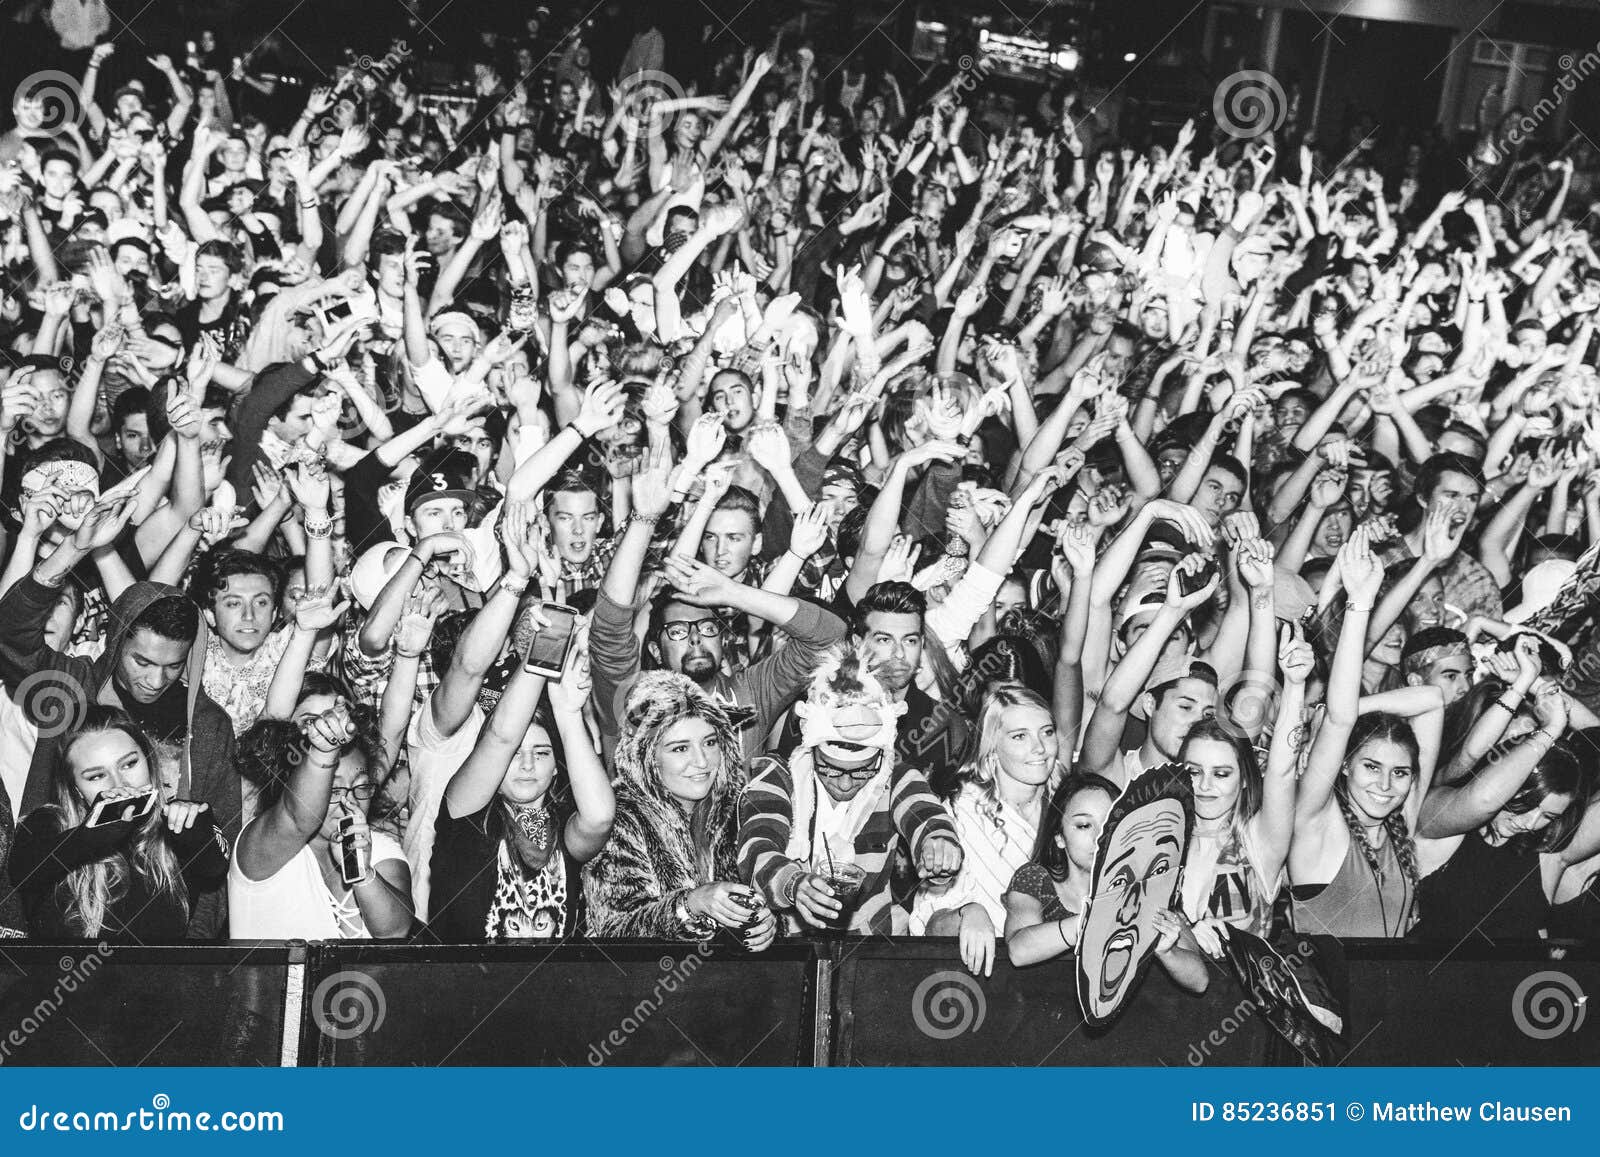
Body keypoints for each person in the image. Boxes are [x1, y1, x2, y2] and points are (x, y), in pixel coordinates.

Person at [429, 633, 614, 941]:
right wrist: (548, 645)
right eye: (515, 755)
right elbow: (501, 736)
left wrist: (568, 714)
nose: (527, 765)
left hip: (550, 988)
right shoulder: (464, 812)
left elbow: (600, 819)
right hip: (466, 986)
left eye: (541, 753)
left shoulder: (565, 824)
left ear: (557, 766)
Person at [584, 671, 775, 948]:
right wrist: (691, 903)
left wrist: (767, 921)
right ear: (648, 757)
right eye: (680, 748)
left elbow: (762, 895)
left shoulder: (736, 809)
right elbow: (613, 930)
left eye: (710, 743)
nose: (701, 761)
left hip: (723, 981)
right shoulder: (621, 816)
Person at [7, 708, 226, 939]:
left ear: (149, 761)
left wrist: (201, 835)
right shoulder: (50, 823)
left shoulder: (171, 826)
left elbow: (214, 870)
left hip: (161, 975)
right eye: (96, 776)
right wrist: (89, 837)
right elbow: (23, 871)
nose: (118, 783)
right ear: (75, 788)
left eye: (129, 764)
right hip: (68, 974)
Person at [228, 703, 414, 939]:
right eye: (333, 790)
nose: (350, 802)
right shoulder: (261, 846)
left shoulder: (380, 849)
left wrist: (364, 874)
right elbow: (299, 818)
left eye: (361, 786)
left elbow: (395, 932)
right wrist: (324, 751)